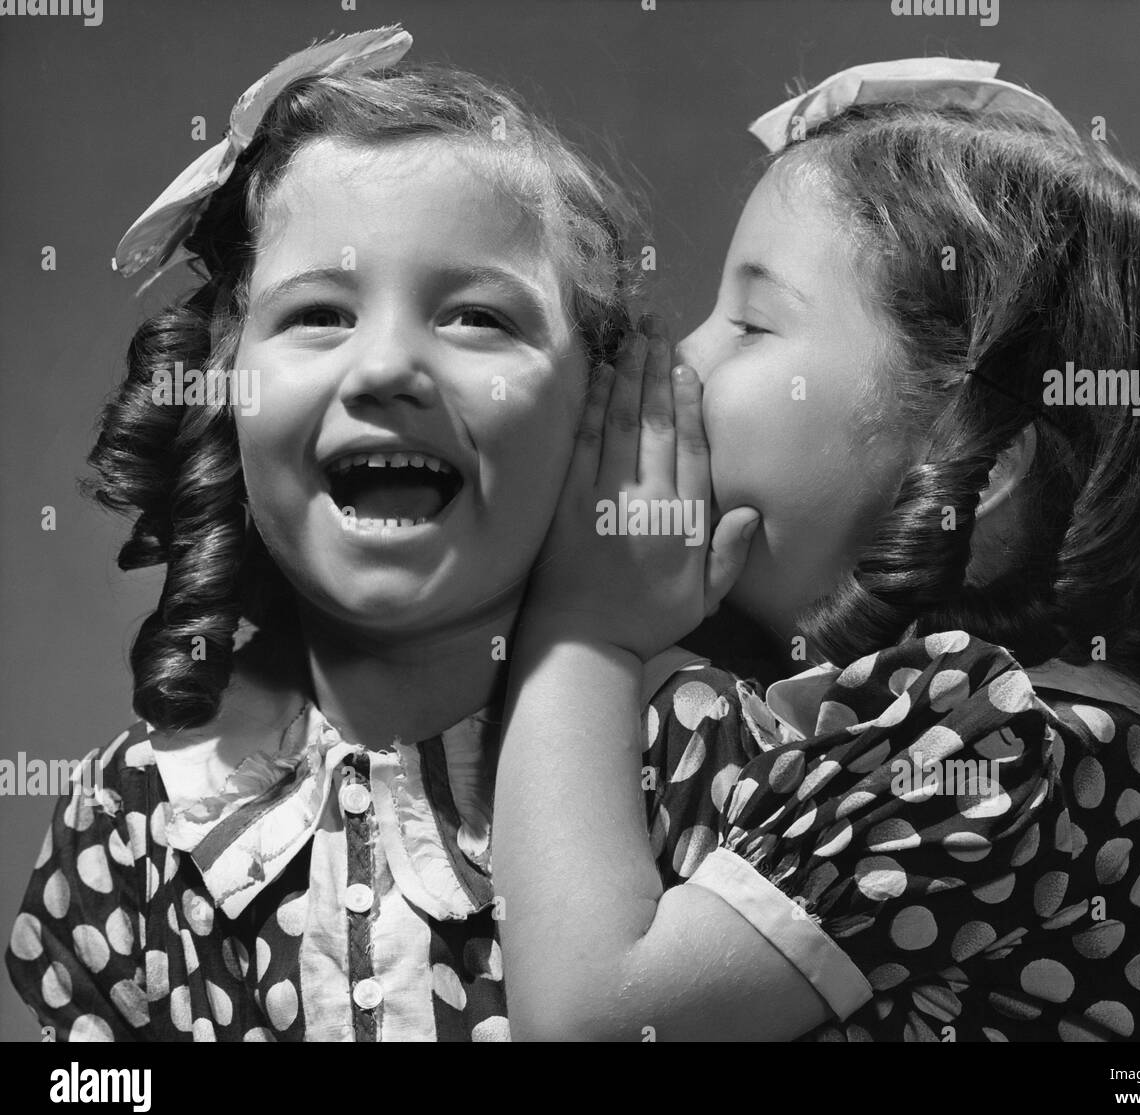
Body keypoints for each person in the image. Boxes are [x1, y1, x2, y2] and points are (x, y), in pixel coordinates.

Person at [495, 60, 1140, 1042]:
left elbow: (591, 1021)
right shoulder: (1088, 757)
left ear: (986, 470)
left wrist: (581, 633)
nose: (685, 364)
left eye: (750, 323)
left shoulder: (994, 742)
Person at [4, 26, 750, 1042]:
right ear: (225, 387)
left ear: (602, 407)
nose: (386, 366)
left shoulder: (713, 762)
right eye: (317, 313)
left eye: (479, 318)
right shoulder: (133, 819)